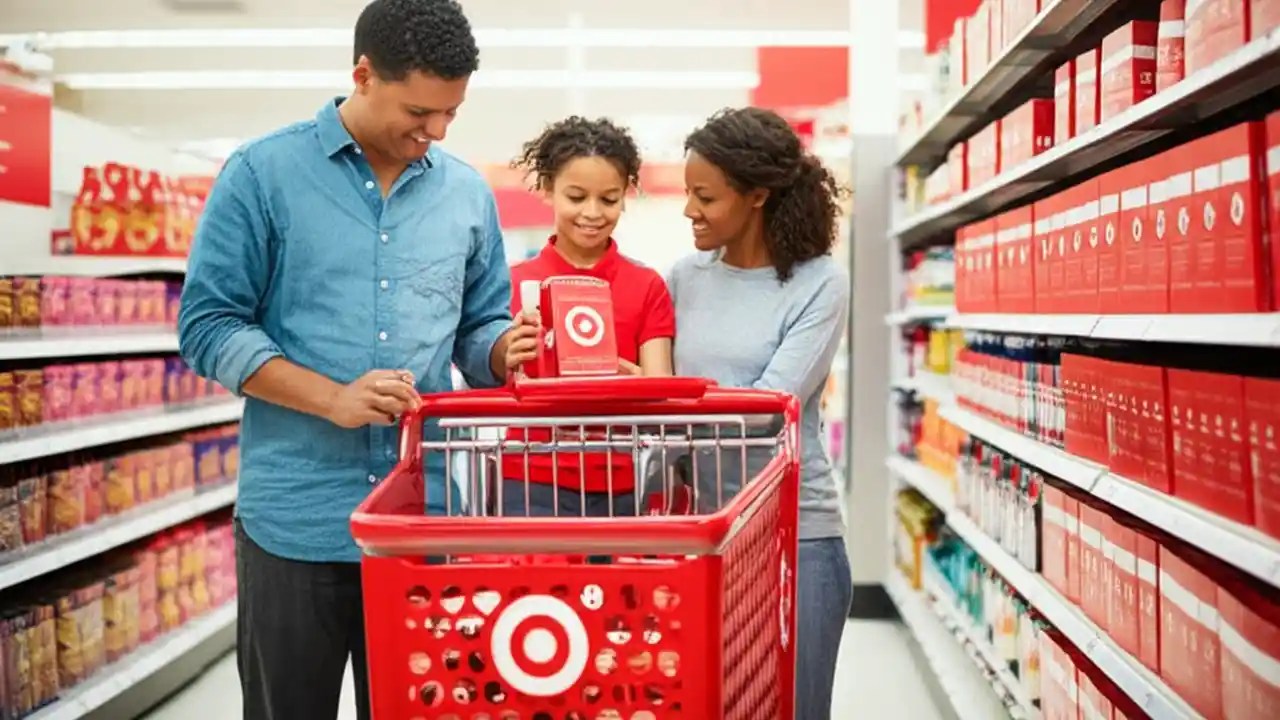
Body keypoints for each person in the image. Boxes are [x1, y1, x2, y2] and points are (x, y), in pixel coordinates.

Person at [176, 1, 537, 718]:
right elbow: (208, 325)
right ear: (363, 75)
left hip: (422, 518)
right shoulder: (262, 174)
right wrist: (331, 398)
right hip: (295, 522)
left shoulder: (465, 192)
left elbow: (477, 323)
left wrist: (501, 348)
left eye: (450, 115)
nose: (434, 131)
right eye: (418, 111)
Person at [667, 106, 852, 720]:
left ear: (757, 196)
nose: (689, 210)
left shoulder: (819, 283)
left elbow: (770, 408)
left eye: (704, 196)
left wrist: (666, 392)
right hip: (706, 534)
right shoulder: (684, 278)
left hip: (795, 535)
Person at [502, 116, 675, 517]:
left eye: (609, 199)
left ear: (626, 196)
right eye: (576, 197)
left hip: (623, 480)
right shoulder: (511, 284)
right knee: (538, 584)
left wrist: (633, 381)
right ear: (547, 188)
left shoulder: (646, 286)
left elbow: (662, 389)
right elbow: (493, 372)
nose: (592, 213)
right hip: (531, 476)